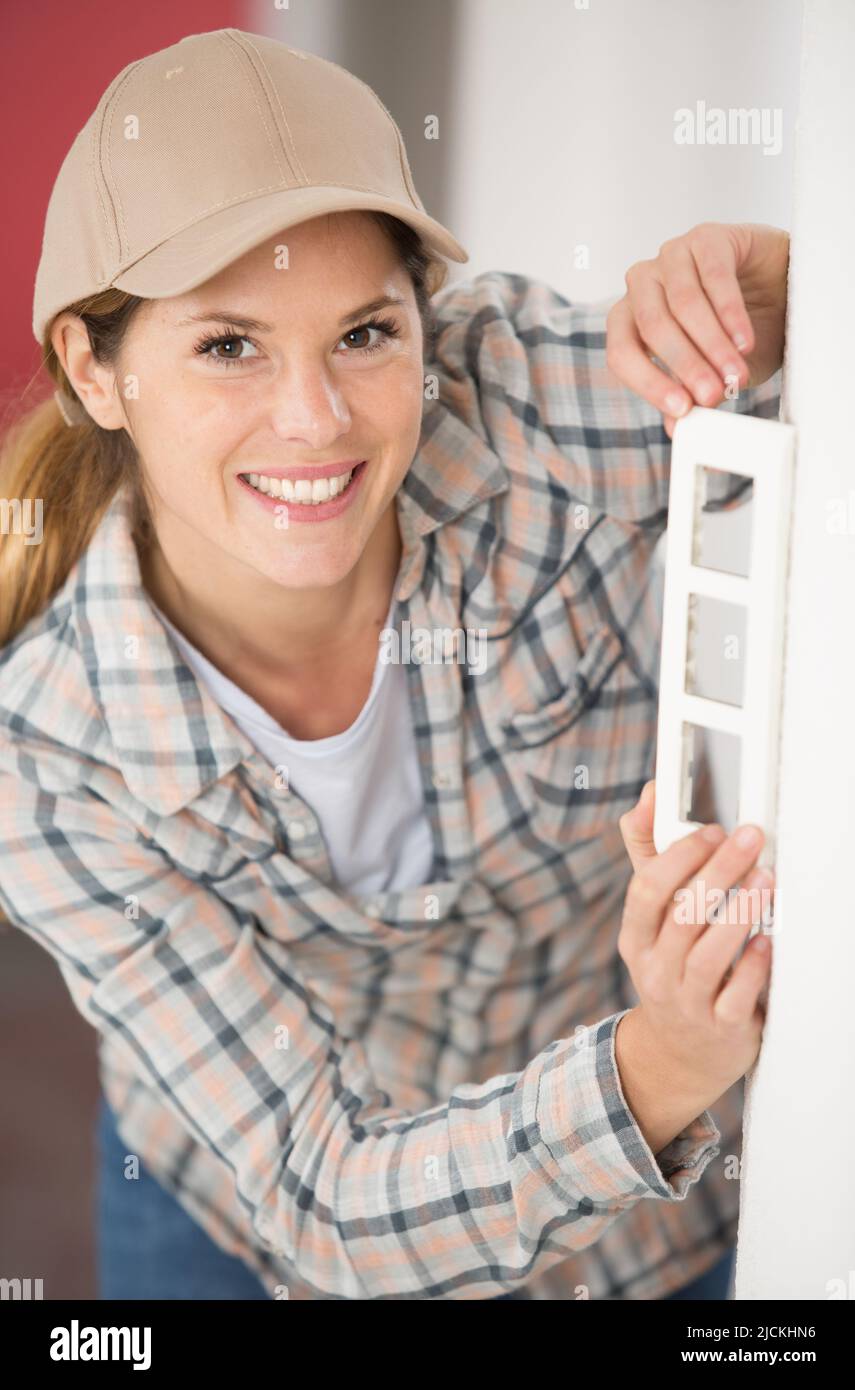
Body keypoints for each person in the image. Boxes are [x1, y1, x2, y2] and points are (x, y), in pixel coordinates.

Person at [0, 28, 784, 1301]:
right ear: (97, 372)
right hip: (250, 1231)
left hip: (636, 1229)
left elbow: (795, 391)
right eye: (226, 344)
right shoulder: (47, 764)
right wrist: (662, 1066)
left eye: (364, 333)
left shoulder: (517, 406)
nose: (314, 420)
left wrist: (794, 294)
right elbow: (321, 1190)